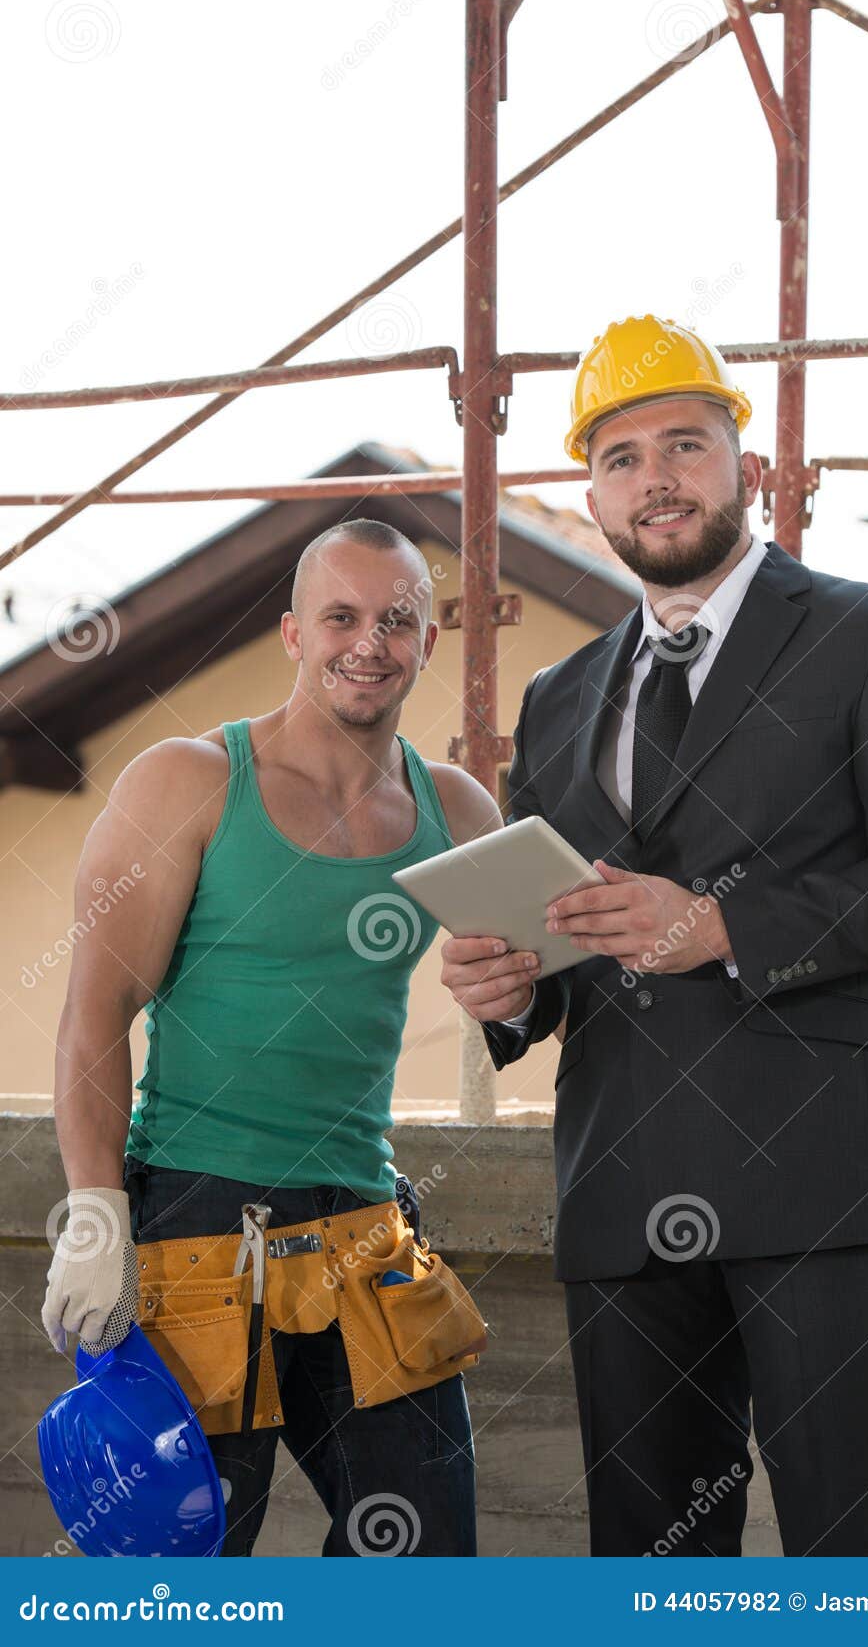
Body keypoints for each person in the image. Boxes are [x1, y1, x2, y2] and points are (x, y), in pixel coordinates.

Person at [441, 314, 868, 1557]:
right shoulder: (557, 697)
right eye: (622, 457)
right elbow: (570, 938)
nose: (657, 479)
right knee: (650, 1575)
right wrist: (513, 987)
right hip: (622, 1193)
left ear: (743, 464)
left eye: (684, 445)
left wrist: (721, 926)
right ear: (593, 493)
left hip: (819, 1188)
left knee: (864, 1561)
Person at [41, 518, 511, 1557]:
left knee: (426, 1563)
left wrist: (525, 986)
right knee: (178, 1575)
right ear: (295, 633)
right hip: (198, 1222)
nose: (368, 643)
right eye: (341, 617)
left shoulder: (458, 808)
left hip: (367, 1229)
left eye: (396, 621)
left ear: (428, 641)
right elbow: (94, 1012)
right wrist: (96, 1213)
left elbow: (533, 991)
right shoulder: (190, 781)